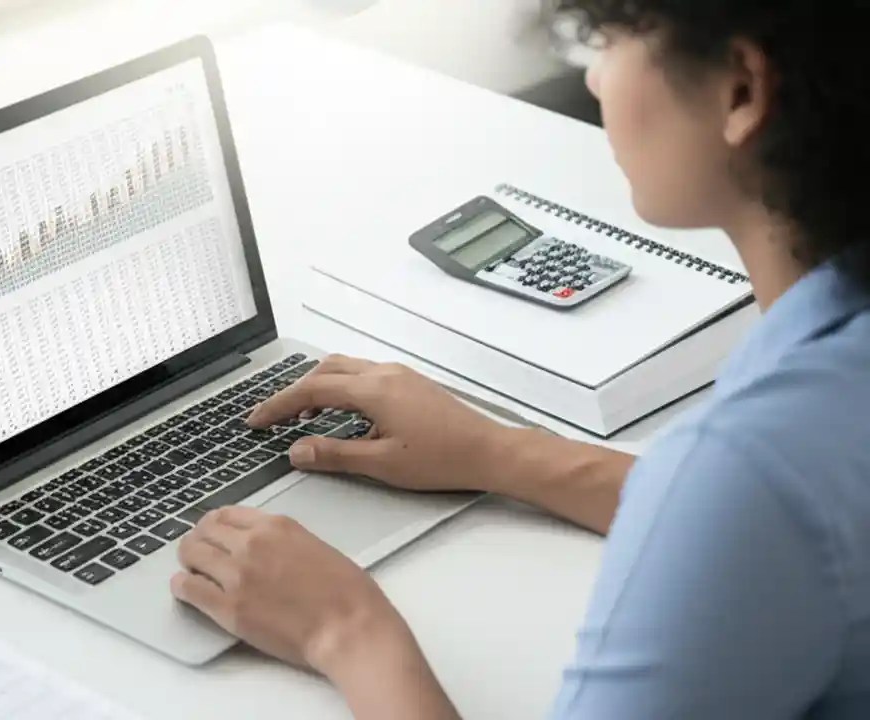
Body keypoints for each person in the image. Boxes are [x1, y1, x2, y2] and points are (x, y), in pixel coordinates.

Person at [168, 0, 870, 717]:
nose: (596, 78)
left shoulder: (755, 466)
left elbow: (750, 502)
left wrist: (344, 632)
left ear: (741, 91)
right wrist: (495, 451)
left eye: (611, 38)